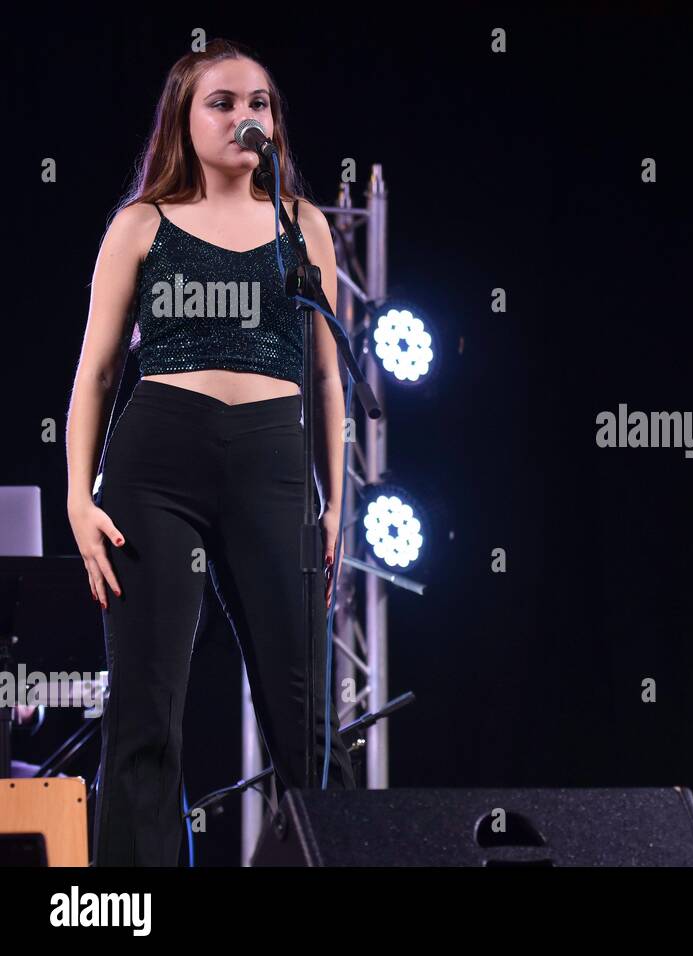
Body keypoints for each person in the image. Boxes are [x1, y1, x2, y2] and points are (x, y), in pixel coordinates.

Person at [65, 38, 356, 867]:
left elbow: (331, 380)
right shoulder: (141, 225)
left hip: (272, 461)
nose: (243, 117)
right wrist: (79, 501)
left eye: (257, 103)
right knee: (146, 713)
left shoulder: (303, 226)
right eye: (221, 103)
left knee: (304, 718)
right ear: (183, 121)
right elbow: (95, 374)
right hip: (157, 463)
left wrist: (338, 504)